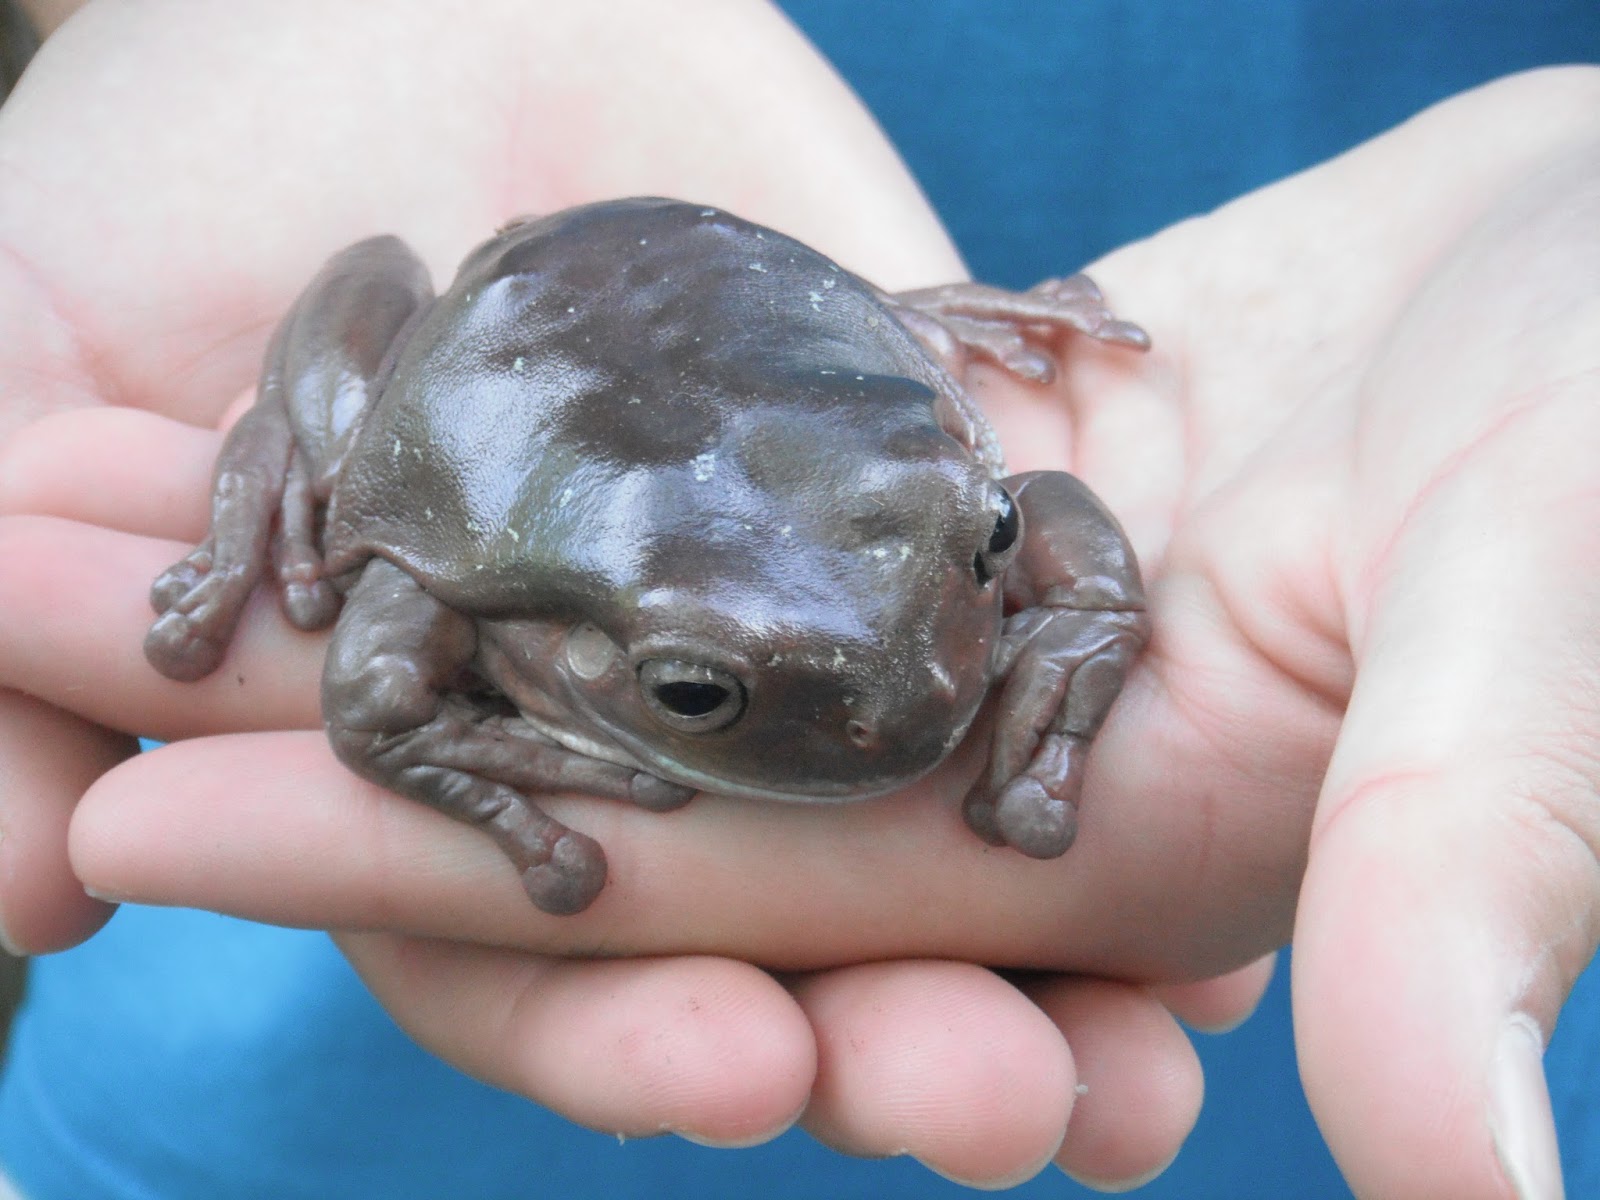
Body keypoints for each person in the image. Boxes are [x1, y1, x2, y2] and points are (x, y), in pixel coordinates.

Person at [0, 2, 1595, 1197]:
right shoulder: (489, 585)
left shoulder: (942, 533)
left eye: (968, 582)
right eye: (698, 685)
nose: (915, 705)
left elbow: (1033, 508)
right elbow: (365, 700)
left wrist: (1073, 614)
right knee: (347, 487)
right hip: (265, 1110)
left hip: (777, 353)